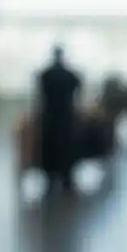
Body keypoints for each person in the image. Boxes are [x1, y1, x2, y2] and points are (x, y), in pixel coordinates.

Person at [36, 46, 82, 190]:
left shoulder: (45, 75)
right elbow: (77, 93)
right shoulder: (71, 75)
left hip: (49, 115)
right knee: (66, 147)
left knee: (49, 147)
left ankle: (50, 176)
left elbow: (40, 96)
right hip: (66, 115)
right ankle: (67, 177)